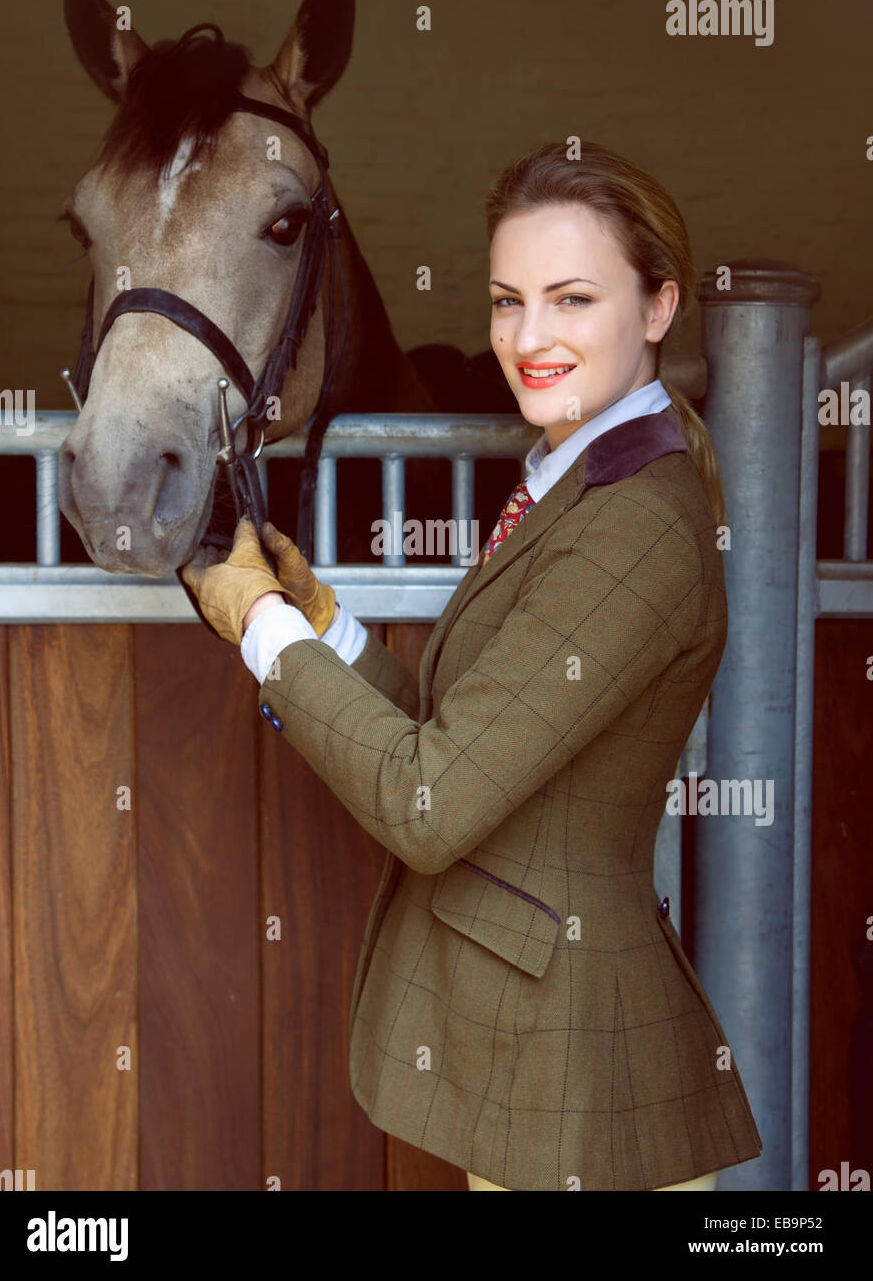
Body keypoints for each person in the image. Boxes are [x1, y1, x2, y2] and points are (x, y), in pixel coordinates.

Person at [183, 139, 763, 1191]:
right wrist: (323, 620)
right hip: (532, 1059)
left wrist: (258, 625)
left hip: (575, 1073)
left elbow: (429, 799)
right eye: (507, 300)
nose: (526, 337)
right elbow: (465, 730)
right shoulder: (575, 477)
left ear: (658, 307)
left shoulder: (634, 525)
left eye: (571, 298)